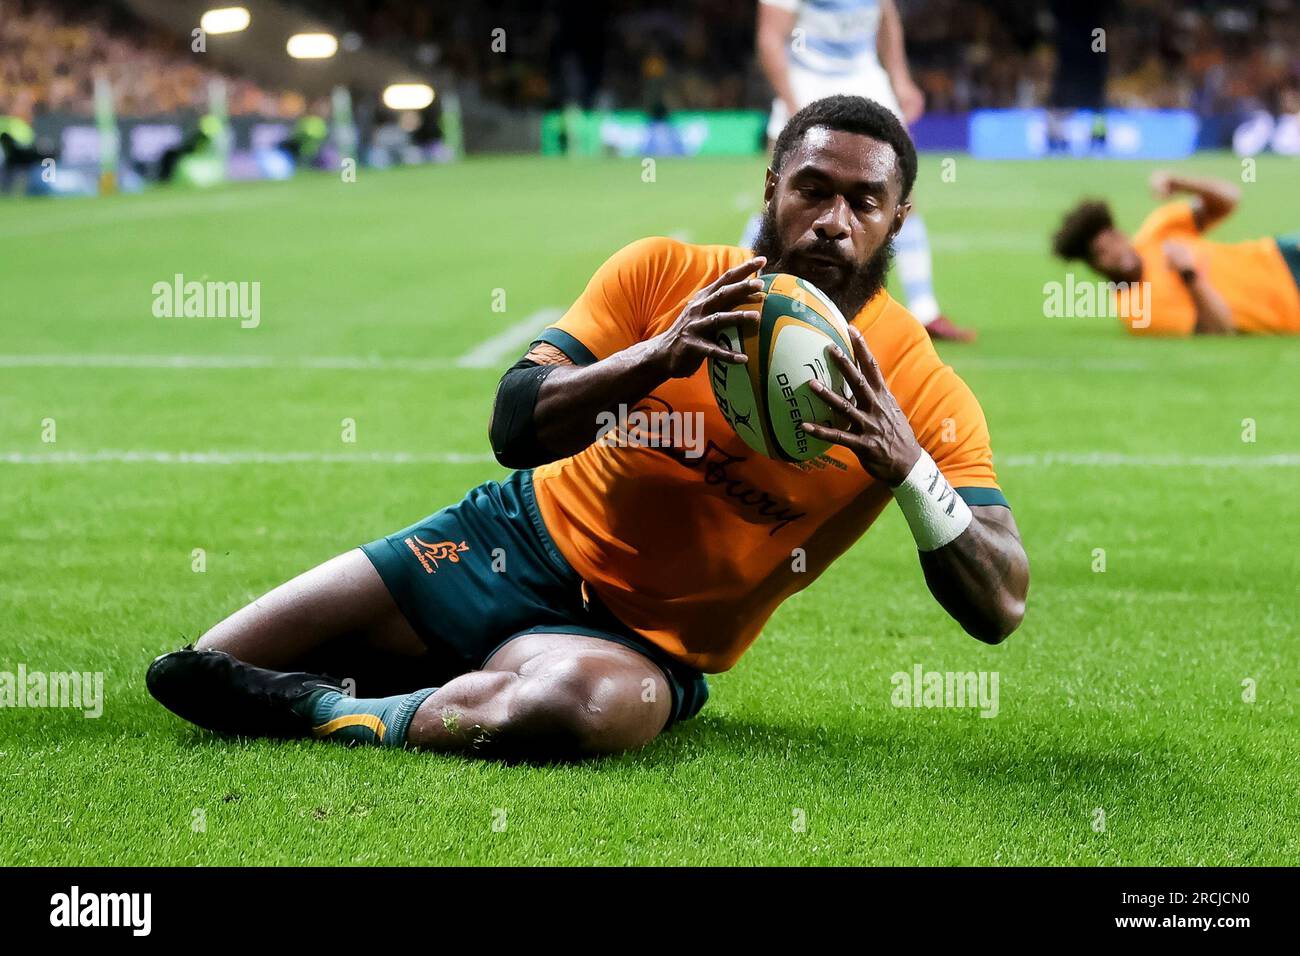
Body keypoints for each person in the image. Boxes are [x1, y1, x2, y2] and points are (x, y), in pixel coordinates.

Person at [147, 96, 1028, 760]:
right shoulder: (663, 274)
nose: (834, 222)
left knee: (578, 709)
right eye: (813, 190)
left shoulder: (914, 384)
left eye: (865, 203)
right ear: (772, 188)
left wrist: (910, 472)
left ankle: (345, 712)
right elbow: (514, 421)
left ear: (897, 222)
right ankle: (452, 678)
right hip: (506, 542)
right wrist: (654, 358)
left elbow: (1001, 605)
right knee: (207, 666)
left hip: (641, 642)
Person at [744, 0, 977, 342]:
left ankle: (925, 311)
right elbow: (770, 38)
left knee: (902, 196)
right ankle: (745, 297)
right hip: (808, 80)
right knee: (780, 199)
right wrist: (792, 105)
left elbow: (886, 17)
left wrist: (899, 79)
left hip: (865, 78)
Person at [1052, 170, 1300, 336]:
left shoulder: (1157, 231)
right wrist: (1189, 275)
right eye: (1102, 253)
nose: (1116, 253)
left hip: (1281, 253)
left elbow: (1231, 198)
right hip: (1290, 305)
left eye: (1114, 239)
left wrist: (1180, 183)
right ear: (1094, 266)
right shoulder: (1138, 311)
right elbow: (1220, 328)